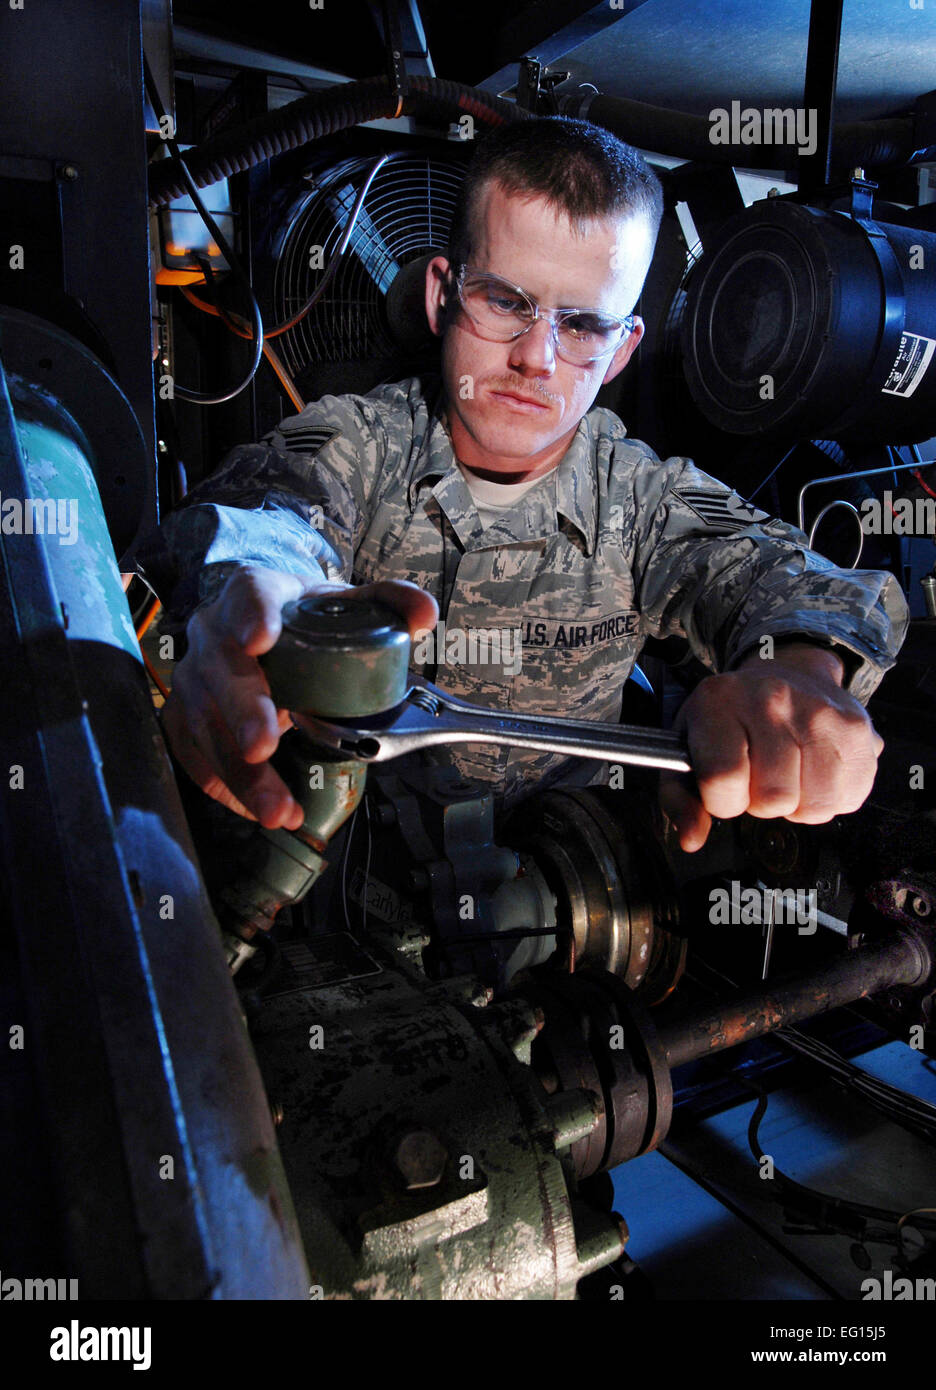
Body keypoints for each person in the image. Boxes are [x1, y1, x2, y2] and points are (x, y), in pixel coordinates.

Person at [144, 116, 908, 854]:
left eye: (581, 325)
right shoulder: (357, 443)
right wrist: (249, 587)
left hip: (561, 871)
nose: (536, 357)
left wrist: (800, 675)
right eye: (506, 302)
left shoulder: (639, 502)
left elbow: (784, 576)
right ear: (443, 294)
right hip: (341, 864)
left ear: (621, 349)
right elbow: (266, 511)